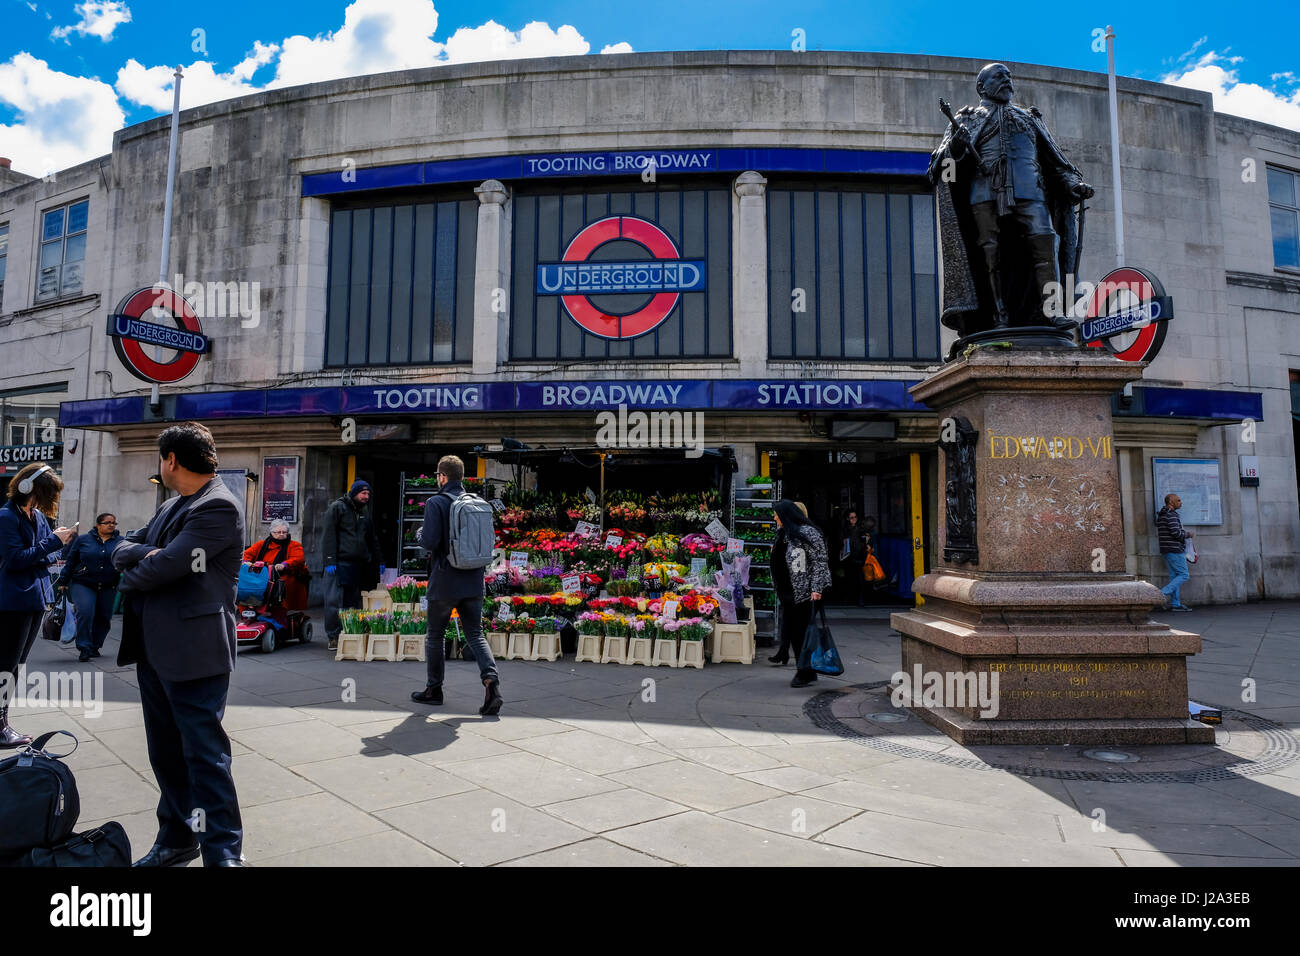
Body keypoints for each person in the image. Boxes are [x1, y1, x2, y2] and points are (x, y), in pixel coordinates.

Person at [112, 422, 247, 867]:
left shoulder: (218, 507)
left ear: (171, 460)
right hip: (154, 650)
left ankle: (223, 851)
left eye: (161, 459)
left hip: (195, 652)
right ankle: (176, 839)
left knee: (205, 758)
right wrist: (143, 556)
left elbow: (165, 568)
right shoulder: (173, 505)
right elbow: (122, 548)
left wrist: (145, 560)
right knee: (166, 754)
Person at [411, 455, 502, 715]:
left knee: (436, 636)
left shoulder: (436, 502)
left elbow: (429, 541)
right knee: (475, 633)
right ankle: (491, 682)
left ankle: (433, 690)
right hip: (473, 579)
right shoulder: (477, 503)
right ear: (462, 477)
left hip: (445, 582)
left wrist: (419, 534)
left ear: (442, 476)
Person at [0, 463, 76, 747]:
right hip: (12, 601)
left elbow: (40, 556)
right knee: (5, 664)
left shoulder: (39, 518)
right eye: (47, 493)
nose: (50, 500)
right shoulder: (6, 517)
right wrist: (51, 544)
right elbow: (16, 558)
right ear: (27, 488)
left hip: (34, 599)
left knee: (16, 664)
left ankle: (2, 721)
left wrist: (57, 544)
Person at [767, 498, 832, 688]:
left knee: (801, 633)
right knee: (795, 633)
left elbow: (820, 561)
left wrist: (816, 588)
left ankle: (806, 672)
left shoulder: (808, 533)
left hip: (805, 592)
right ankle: (804, 670)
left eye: (777, 514)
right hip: (788, 593)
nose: (774, 517)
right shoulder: (785, 533)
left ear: (786, 515)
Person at [321, 479, 383, 650]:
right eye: (363, 493)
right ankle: (333, 636)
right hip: (338, 563)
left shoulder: (364, 512)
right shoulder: (337, 508)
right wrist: (329, 560)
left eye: (368, 493)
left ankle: (349, 633)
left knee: (352, 602)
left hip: (357, 564)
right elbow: (328, 535)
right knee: (334, 601)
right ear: (354, 492)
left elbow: (371, 538)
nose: (366, 496)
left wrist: (379, 560)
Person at [57, 513, 123, 662]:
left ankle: (95, 646)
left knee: (104, 617)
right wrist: (63, 581)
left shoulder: (121, 541)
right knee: (85, 612)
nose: (111, 525)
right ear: (98, 525)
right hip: (83, 583)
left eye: (113, 522)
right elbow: (71, 561)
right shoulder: (83, 540)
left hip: (108, 584)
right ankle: (84, 646)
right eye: (107, 522)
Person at [243, 519, 308, 610]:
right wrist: (246, 562)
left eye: (284, 532)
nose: (281, 534)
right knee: (245, 585)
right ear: (272, 532)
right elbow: (247, 554)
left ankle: (279, 613)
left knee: (281, 586)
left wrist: (285, 564)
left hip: (285, 574)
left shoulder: (294, 545)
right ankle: (248, 610)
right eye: (278, 532)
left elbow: (298, 558)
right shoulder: (261, 544)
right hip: (262, 574)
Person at [1156, 493, 1195, 611]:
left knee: (1175, 577)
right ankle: (1160, 594)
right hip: (1174, 549)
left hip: (1167, 549)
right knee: (1184, 575)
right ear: (1171, 502)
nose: (1180, 502)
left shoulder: (1163, 515)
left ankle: (1175, 604)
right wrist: (1188, 534)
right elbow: (1176, 533)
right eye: (1178, 500)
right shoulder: (1171, 515)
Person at [841, 510, 870, 607]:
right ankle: (848, 598)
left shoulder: (861, 529)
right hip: (848, 556)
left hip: (859, 555)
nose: (854, 519)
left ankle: (860, 599)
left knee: (860, 579)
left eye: (855, 517)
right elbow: (840, 540)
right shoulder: (844, 529)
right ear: (848, 519)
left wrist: (867, 545)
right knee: (849, 578)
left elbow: (866, 541)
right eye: (852, 518)